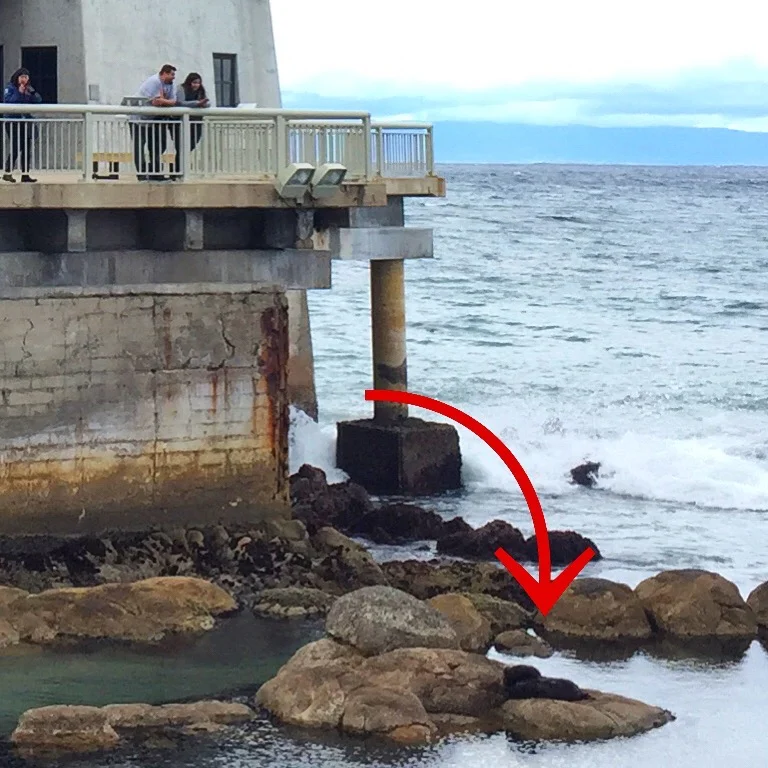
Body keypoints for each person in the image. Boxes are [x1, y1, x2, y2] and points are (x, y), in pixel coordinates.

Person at [131, 63, 180, 181]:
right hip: (138, 119)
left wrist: (166, 101)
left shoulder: (170, 85)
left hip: (152, 120)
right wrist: (166, 101)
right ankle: (142, 174)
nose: (173, 77)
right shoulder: (154, 82)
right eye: (171, 74)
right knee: (139, 146)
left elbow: (173, 100)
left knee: (157, 146)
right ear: (164, 73)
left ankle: (155, 172)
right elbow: (156, 102)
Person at [2, 68, 43, 183]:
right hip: (13, 122)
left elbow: (38, 100)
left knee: (26, 149)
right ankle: (8, 172)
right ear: (17, 77)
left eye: (26, 77)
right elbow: (9, 102)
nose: (24, 79)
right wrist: (19, 92)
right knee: (16, 147)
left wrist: (32, 92)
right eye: (22, 77)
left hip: (25, 122)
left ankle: (25, 174)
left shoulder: (28, 89)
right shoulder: (10, 88)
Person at [177, 72, 209, 155]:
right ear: (189, 82)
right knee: (181, 145)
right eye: (194, 82)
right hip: (183, 122)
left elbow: (207, 101)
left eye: (198, 83)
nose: (196, 85)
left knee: (193, 142)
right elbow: (181, 102)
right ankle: (177, 166)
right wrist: (197, 103)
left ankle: (178, 164)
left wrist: (204, 104)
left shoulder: (201, 90)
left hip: (196, 121)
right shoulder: (182, 88)